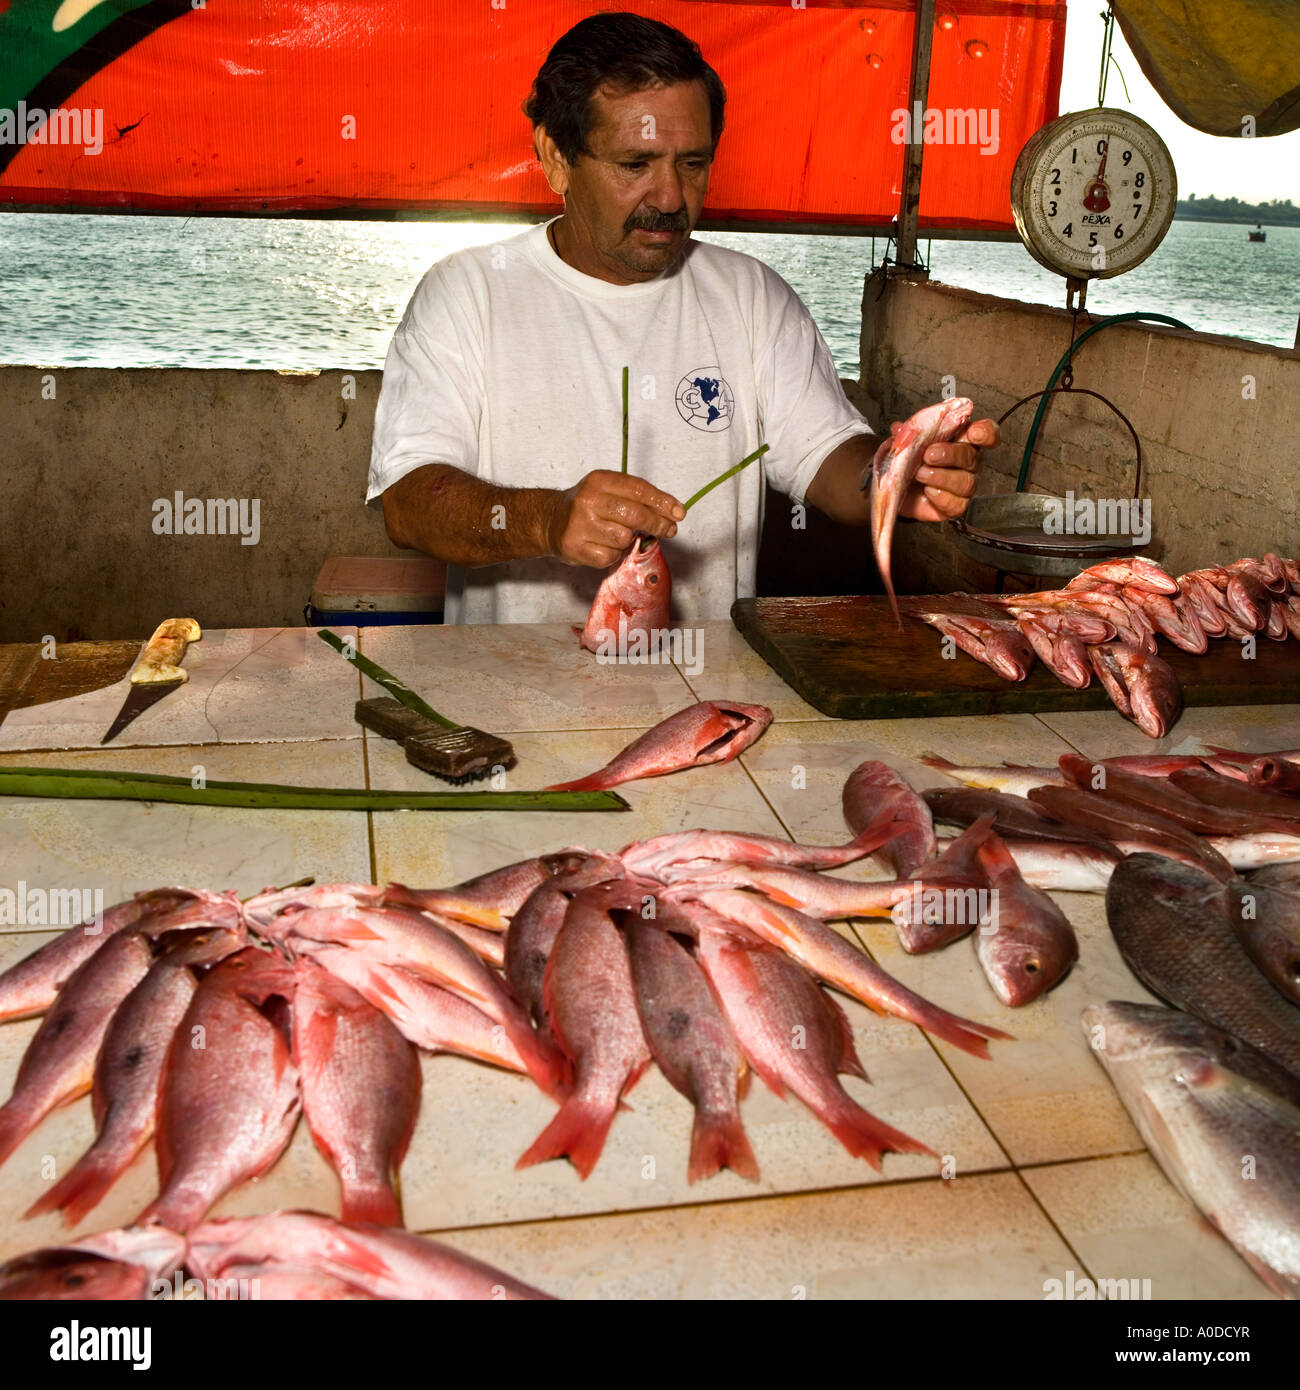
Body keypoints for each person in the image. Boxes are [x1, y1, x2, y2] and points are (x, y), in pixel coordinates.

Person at [368, 12, 998, 628]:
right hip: (515, 694)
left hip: (706, 701)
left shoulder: (752, 295)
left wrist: (897, 475)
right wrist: (545, 520)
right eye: (634, 165)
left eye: (692, 164)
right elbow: (408, 502)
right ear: (556, 158)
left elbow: (827, 457)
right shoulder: (468, 292)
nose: (670, 198)